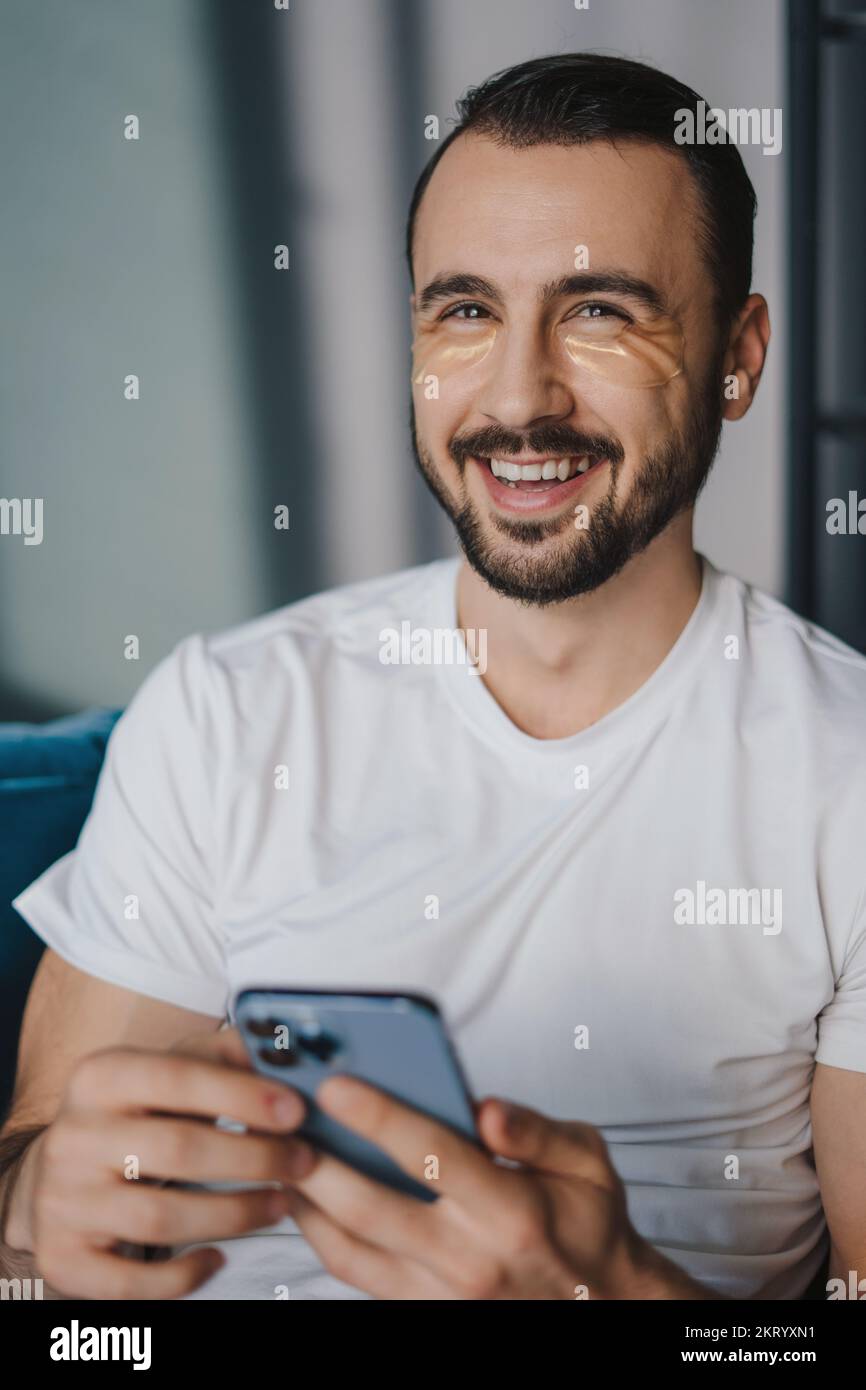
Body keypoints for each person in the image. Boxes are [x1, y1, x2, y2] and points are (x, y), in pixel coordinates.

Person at [2, 52, 864, 1302]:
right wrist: (32, 1213)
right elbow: (27, 1216)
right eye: (463, 311)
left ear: (737, 356)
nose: (517, 398)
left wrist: (607, 1289)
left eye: (599, 311)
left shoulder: (845, 775)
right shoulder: (226, 712)